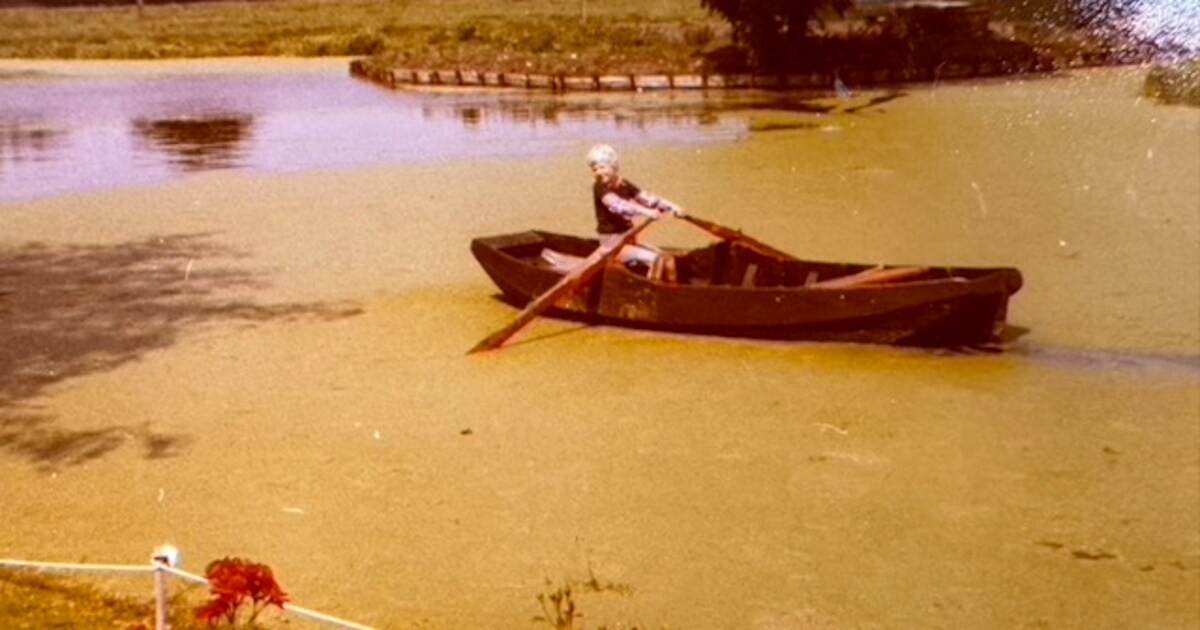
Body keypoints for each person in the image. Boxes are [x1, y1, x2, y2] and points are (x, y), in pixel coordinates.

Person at [586, 144, 684, 280]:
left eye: (602, 167)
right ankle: (652, 291)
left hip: (628, 240)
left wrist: (673, 207)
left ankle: (672, 289)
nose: (598, 172)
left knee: (668, 259)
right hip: (612, 246)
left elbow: (649, 200)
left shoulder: (624, 184)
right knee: (657, 260)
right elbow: (618, 206)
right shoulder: (599, 187)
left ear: (613, 167)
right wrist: (647, 212)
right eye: (594, 169)